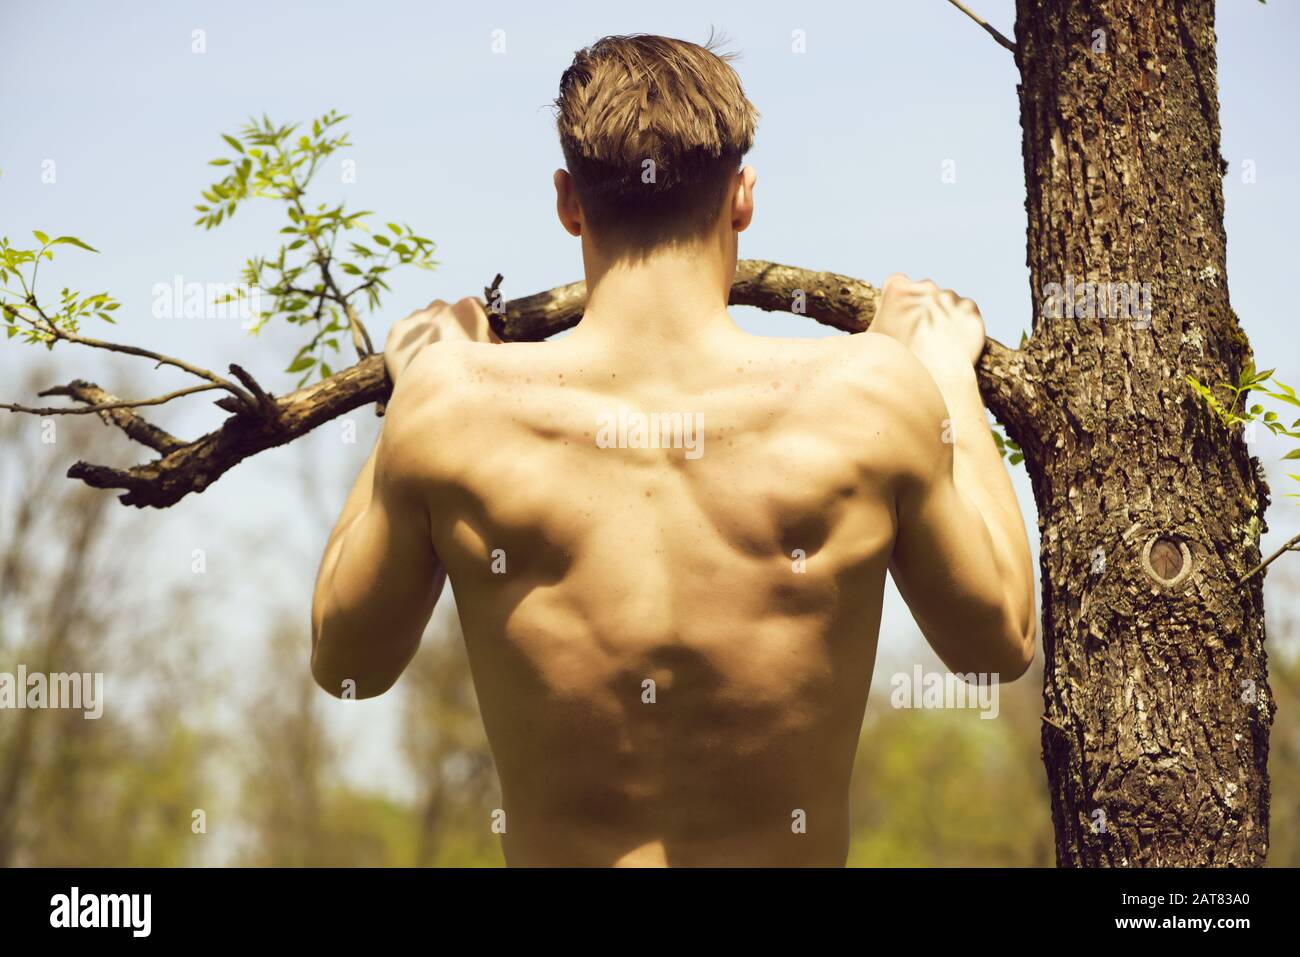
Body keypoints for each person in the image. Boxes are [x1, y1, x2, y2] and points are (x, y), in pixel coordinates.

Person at [310, 34, 1035, 866]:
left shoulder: (453, 409)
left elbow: (344, 662)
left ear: (568, 202)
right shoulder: (870, 397)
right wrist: (944, 372)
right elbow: (1001, 643)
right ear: (742, 197)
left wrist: (419, 383)